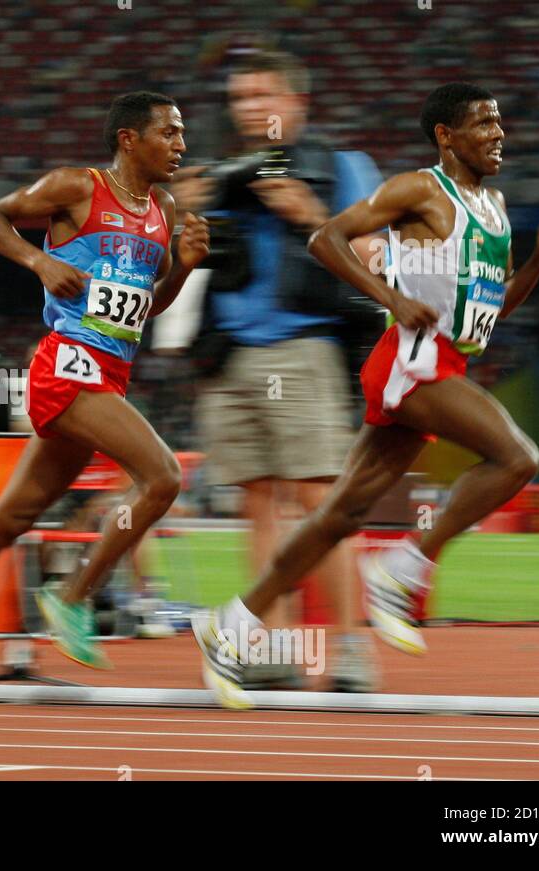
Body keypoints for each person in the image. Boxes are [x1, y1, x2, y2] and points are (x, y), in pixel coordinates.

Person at [192, 82, 539, 709]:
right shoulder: (420, 189)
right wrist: (392, 299)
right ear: (447, 136)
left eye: (501, 122)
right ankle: (403, 570)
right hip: (413, 364)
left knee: (338, 516)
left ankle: (231, 625)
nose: (499, 134)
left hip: (446, 361)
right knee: (519, 458)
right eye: (484, 123)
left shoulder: (496, 208)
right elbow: (325, 240)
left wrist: (538, 264)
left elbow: (488, 309)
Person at [0, 91, 211, 670]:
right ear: (128, 139)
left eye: (182, 134)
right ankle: (72, 598)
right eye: (169, 133)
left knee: (9, 520)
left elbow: (148, 308)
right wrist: (39, 261)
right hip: (67, 365)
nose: (181, 145)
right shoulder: (77, 186)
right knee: (162, 477)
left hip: (109, 373)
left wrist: (184, 265)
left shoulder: (161, 209)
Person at [170, 51, 385, 692]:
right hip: (231, 353)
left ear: (297, 102)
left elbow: (376, 256)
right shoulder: (221, 177)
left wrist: (311, 216)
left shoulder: (342, 167)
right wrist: (184, 219)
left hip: (304, 349)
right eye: (238, 97)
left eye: (261, 94)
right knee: (258, 506)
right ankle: (279, 649)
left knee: (321, 503)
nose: (248, 107)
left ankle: (351, 650)